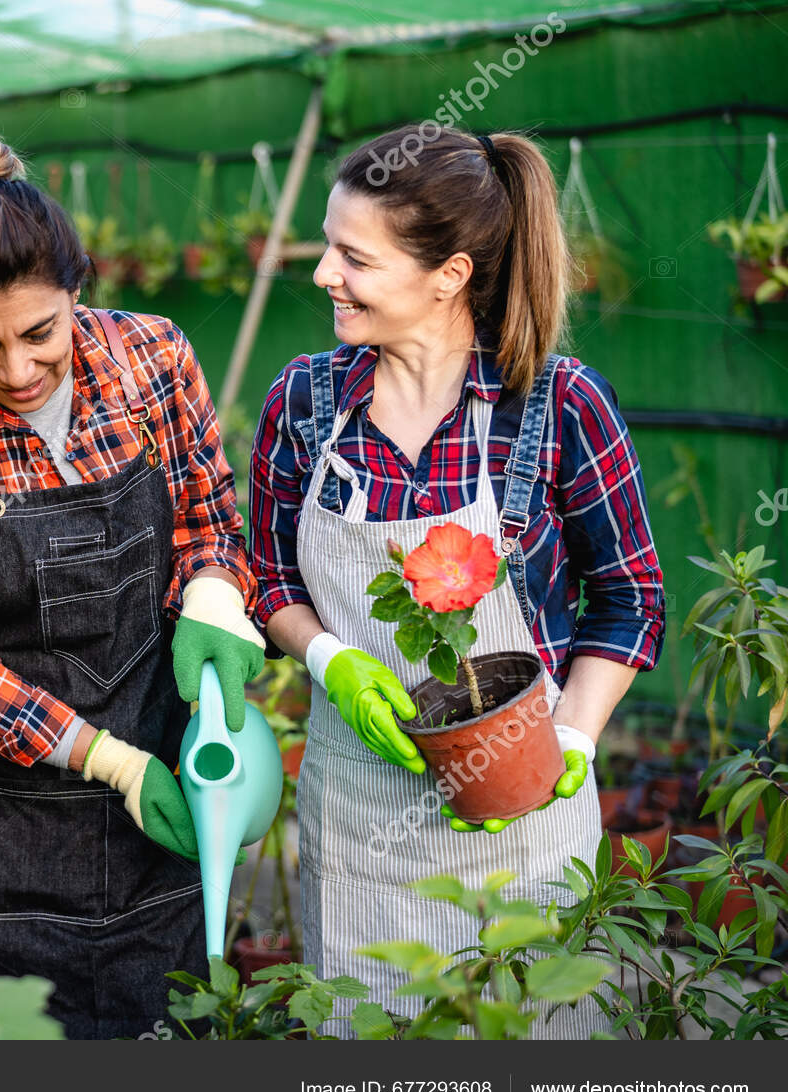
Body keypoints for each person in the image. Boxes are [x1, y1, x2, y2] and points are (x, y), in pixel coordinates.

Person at [247, 126, 665, 1037]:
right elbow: (269, 575)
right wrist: (328, 662)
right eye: (328, 246)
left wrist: (577, 740)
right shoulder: (305, 402)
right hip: (356, 817)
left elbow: (631, 598)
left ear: (450, 275)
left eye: (354, 257)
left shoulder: (558, 407)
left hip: (524, 829)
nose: (323, 273)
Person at [0, 138, 264, 1039]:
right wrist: (104, 759)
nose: (16, 370)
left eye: (40, 332)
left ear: (77, 291)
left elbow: (209, 522)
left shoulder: (153, 362)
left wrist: (212, 593)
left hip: (155, 819)